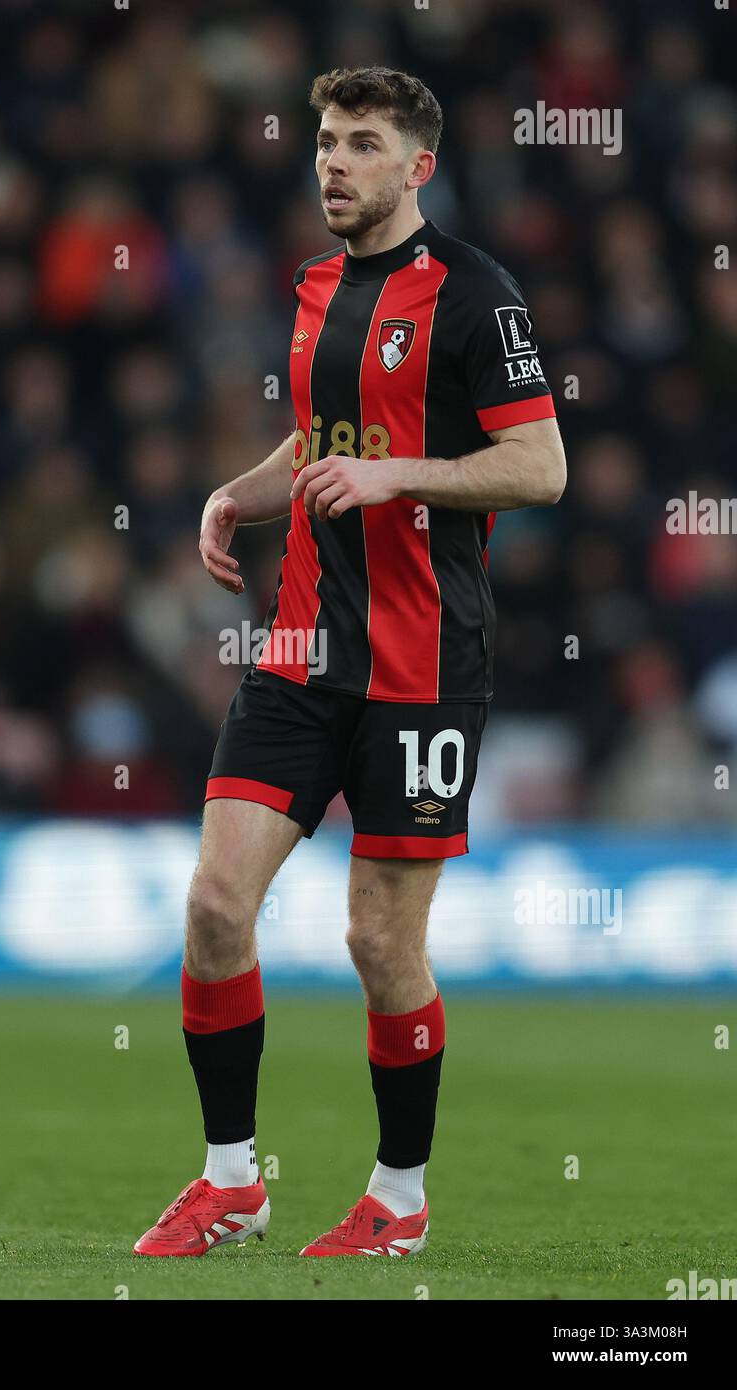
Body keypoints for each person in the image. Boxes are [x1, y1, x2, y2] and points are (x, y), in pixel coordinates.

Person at [134, 65, 566, 1259]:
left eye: (362, 144)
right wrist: (242, 492)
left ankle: (400, 1197)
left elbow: (539, 468)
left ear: (417, 166)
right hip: (299, 648)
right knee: (219, 899)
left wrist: (398, 476)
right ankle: (232, 1180)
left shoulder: (476, 296)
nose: (333, 161)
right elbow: (328, 434)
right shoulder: (318, 286)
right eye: (326, 140)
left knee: (380, 942)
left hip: (424, 661)